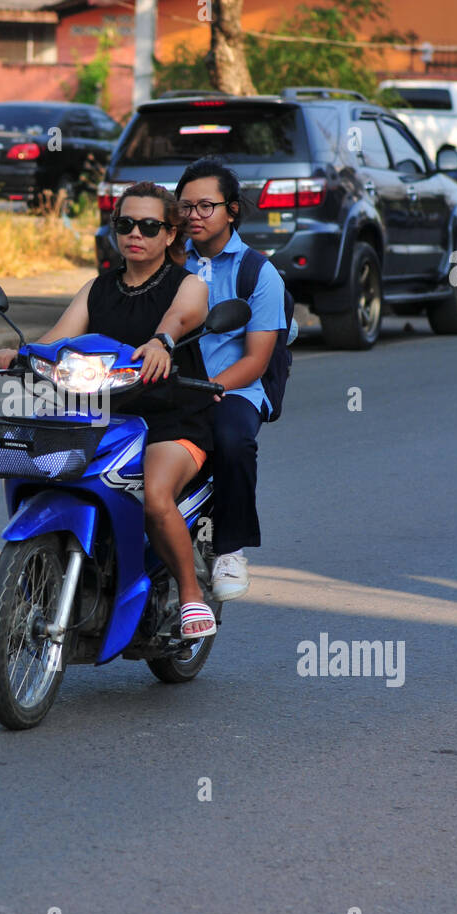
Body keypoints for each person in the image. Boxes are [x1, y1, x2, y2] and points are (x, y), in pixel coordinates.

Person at [0, 180, 217, 638]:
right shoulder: (97, 289)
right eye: (126, 224)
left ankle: (191, 596)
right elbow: (58, 337)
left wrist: (162, 341)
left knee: (155, 497)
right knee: (42, 469)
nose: (136, 234)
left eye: (150, 226)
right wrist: (21, 354)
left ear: (171, 234)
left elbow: (185, 315)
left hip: (169, 423)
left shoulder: (187, 284)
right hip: (100, 417)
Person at [176, 158, 287, 601]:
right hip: (163, 385)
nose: (195, 216)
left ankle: (229, 549)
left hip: (233, 389)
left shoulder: (258, 272)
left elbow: (257, 359)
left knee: (233, 441)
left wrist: (212, 389)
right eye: (185, 207)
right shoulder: (165, 260)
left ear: (232, 210)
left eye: (207, 206)